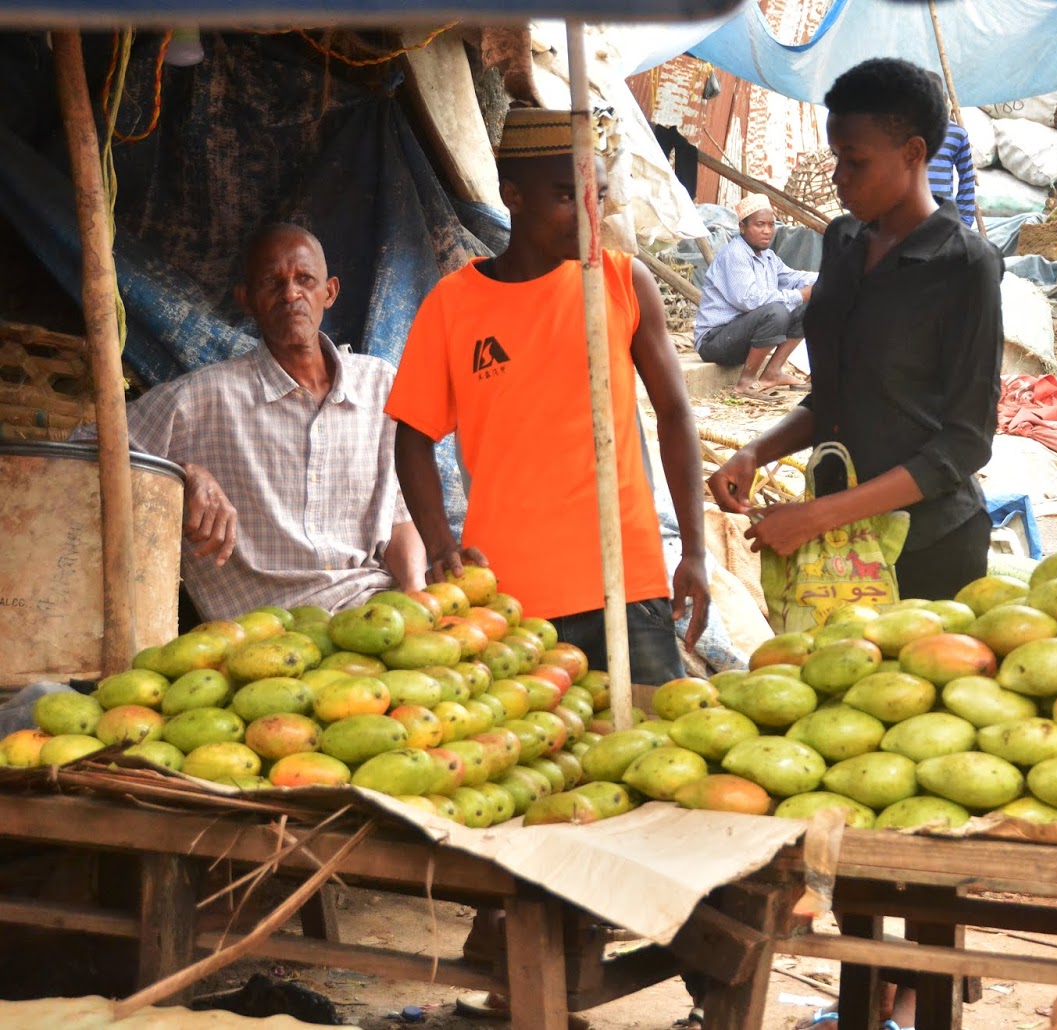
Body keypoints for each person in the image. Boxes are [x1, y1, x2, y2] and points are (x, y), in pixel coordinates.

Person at [388, 105, 709, 688]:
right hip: (510, 593)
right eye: (567, 196)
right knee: (539, 768)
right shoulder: (454, 305)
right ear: (512, 195)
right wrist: (440, 544)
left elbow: (676, 416)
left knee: (653, 750)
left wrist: (695, 549)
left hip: (627, 581)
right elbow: (412, 437)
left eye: (601, 195)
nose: (591, 214)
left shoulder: (622, 282)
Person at [709, 56, 1004, 608]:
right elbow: (839, 397)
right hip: (837, 542)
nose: (839, 177)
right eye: (836, 157)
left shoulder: (964, 263)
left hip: (930, 544)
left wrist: (815, 516)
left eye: (856, 161)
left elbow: (966, 441)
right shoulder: (843, 242)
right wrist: (754, 453)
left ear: (914, 153)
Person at [97, 223, 425, 621]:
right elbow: (84, 453)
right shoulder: (202, 400)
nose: (291, 294)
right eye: (272, 283)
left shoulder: (379, 385)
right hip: (267, 632)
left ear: (330, 292)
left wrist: (417, 597)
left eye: (305, 279)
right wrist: (183, 475)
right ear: (246, 300)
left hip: (376, 613)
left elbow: (399, 517)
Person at [693, 193, 817, 401]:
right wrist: (799, 294)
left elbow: (794, 277)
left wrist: (829, 277)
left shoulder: (768, 257)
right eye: (760, 225)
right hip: (715, 341)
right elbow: (750, 300)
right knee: (777, 310)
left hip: (741, 336)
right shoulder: (735, 254)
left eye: (771, 225)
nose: (767, 231)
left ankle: (772, 373)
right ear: (742, 227)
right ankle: (745, 383)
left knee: (809, 306)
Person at [924, 72, 977, 228]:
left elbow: (967, 180)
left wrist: (965, 223)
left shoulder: (957, 135)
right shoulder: (903, 134)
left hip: (942, 219)